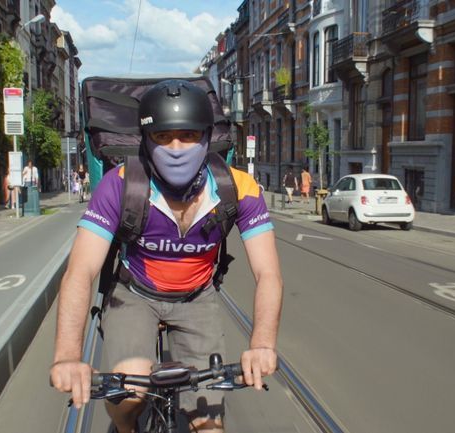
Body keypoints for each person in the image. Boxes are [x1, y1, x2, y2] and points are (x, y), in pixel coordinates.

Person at [50, 79, 283, 433]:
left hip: (196, 297)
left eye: (188, 135)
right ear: (146, 139)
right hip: (134, 295)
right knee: (128, 397)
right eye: (163, 136)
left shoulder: (239, 189)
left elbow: (268, 273)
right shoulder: (119, 185)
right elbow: (80, 272)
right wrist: (68, 356)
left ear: (206, 137)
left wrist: (262, 343)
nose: (176, 148)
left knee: (210, 424)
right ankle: (127, 428)